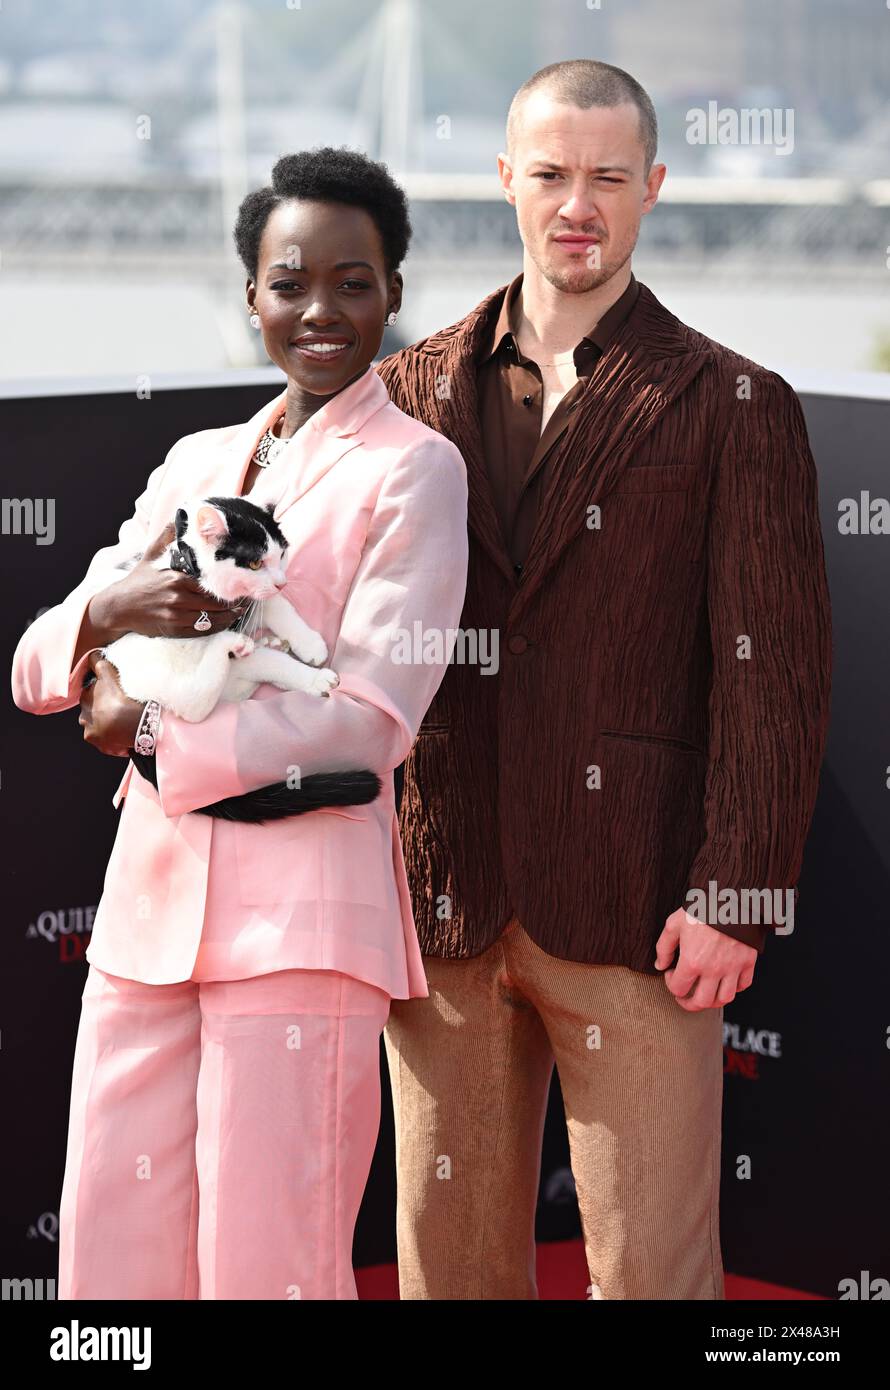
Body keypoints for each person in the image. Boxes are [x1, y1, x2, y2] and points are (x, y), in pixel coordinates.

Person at [376, 59, 833, 1299]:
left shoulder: (736, 404)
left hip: (640, 909)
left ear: (651, 189)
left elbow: (773, 674)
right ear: (506, 181)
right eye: (549, 174)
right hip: (443, 896)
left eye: (606, 177)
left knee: (650, 1275)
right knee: (445, 1271)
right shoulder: (405, 392)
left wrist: (735, 890)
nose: (575, 203)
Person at [10, 147, 468, 1300]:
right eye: (290, 281)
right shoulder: (197, 460)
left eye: (353, 281)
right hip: (143, 923)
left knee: (269, 1264)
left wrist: (151, 730)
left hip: (303, 928)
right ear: (251, 294)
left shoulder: (416, 471)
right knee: (110, 1255)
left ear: (393, 293)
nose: (320, 310)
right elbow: (37, 666)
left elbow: (367, 718)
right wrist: (107, 613)